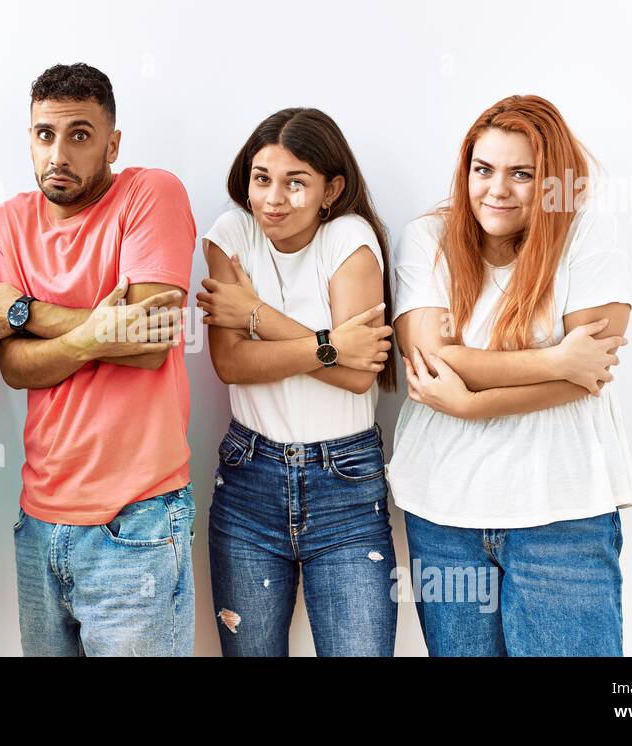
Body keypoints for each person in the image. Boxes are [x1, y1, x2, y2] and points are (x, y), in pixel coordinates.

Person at [390, 94, 632, 656]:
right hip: (444, 511)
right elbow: (430, 361)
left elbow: (591, 372)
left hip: (561, 514)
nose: (496, 189)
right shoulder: (429, 237)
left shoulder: (588, 233)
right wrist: (554, 361)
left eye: (521, 174)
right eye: (483, 169)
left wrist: (472, 399)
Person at [0, 62, 194, 656]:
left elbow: (151, 344)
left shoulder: (150, 193)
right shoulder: (9, 220)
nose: (59, 153)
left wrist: (23, 310)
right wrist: (100, 332)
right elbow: (15, 367)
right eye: (45, 135)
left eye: (80, 134)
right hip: (38, 518)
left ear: (112, 143)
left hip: (137, 521)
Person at [197, 107, 398, 656]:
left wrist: (254, 313)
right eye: (262, 179)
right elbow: (232, 364)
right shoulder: (231, 234)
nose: (273, 199)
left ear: (331, 188)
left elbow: (359, 377)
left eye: (295, 183)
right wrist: (327, 345)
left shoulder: (349, 238)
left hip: (346, 485)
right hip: (249, 480)